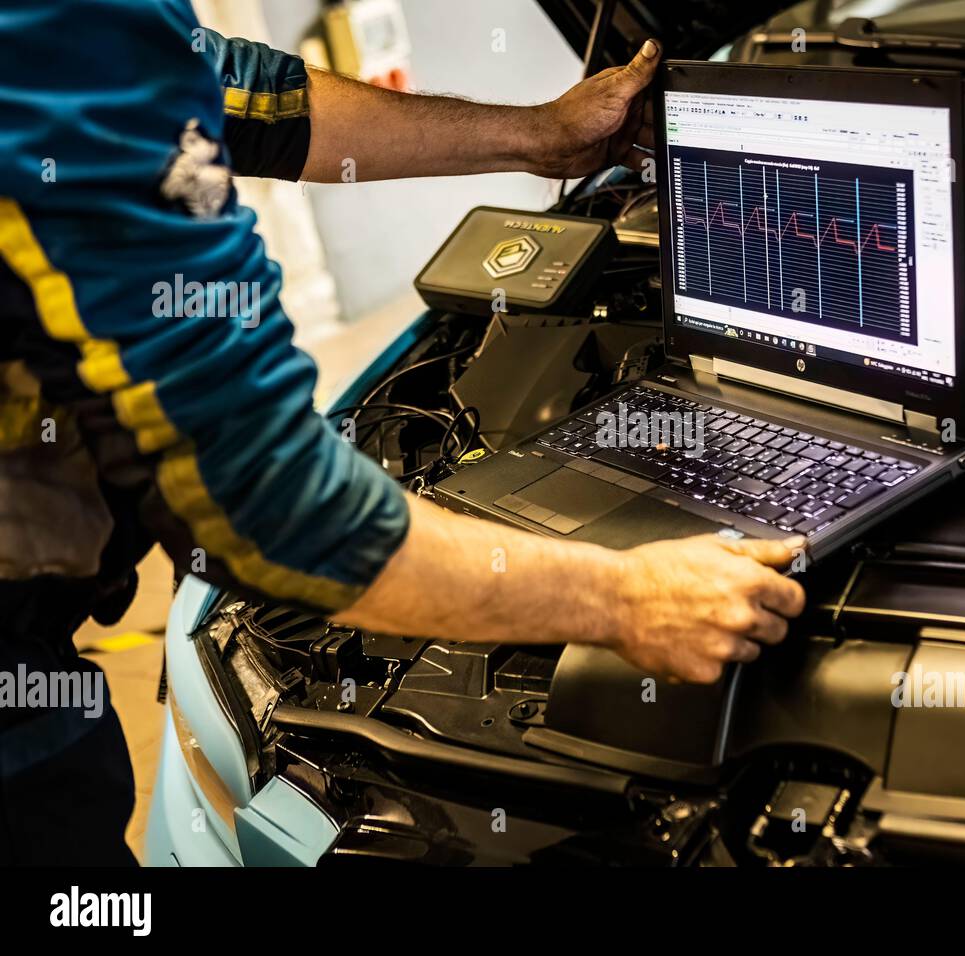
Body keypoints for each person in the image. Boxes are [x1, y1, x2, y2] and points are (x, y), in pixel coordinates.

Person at [0, 0, 805, 863]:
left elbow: (242, 93)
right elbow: (279, 515)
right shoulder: (60, 44)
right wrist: (628, 599)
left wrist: (543, 135)